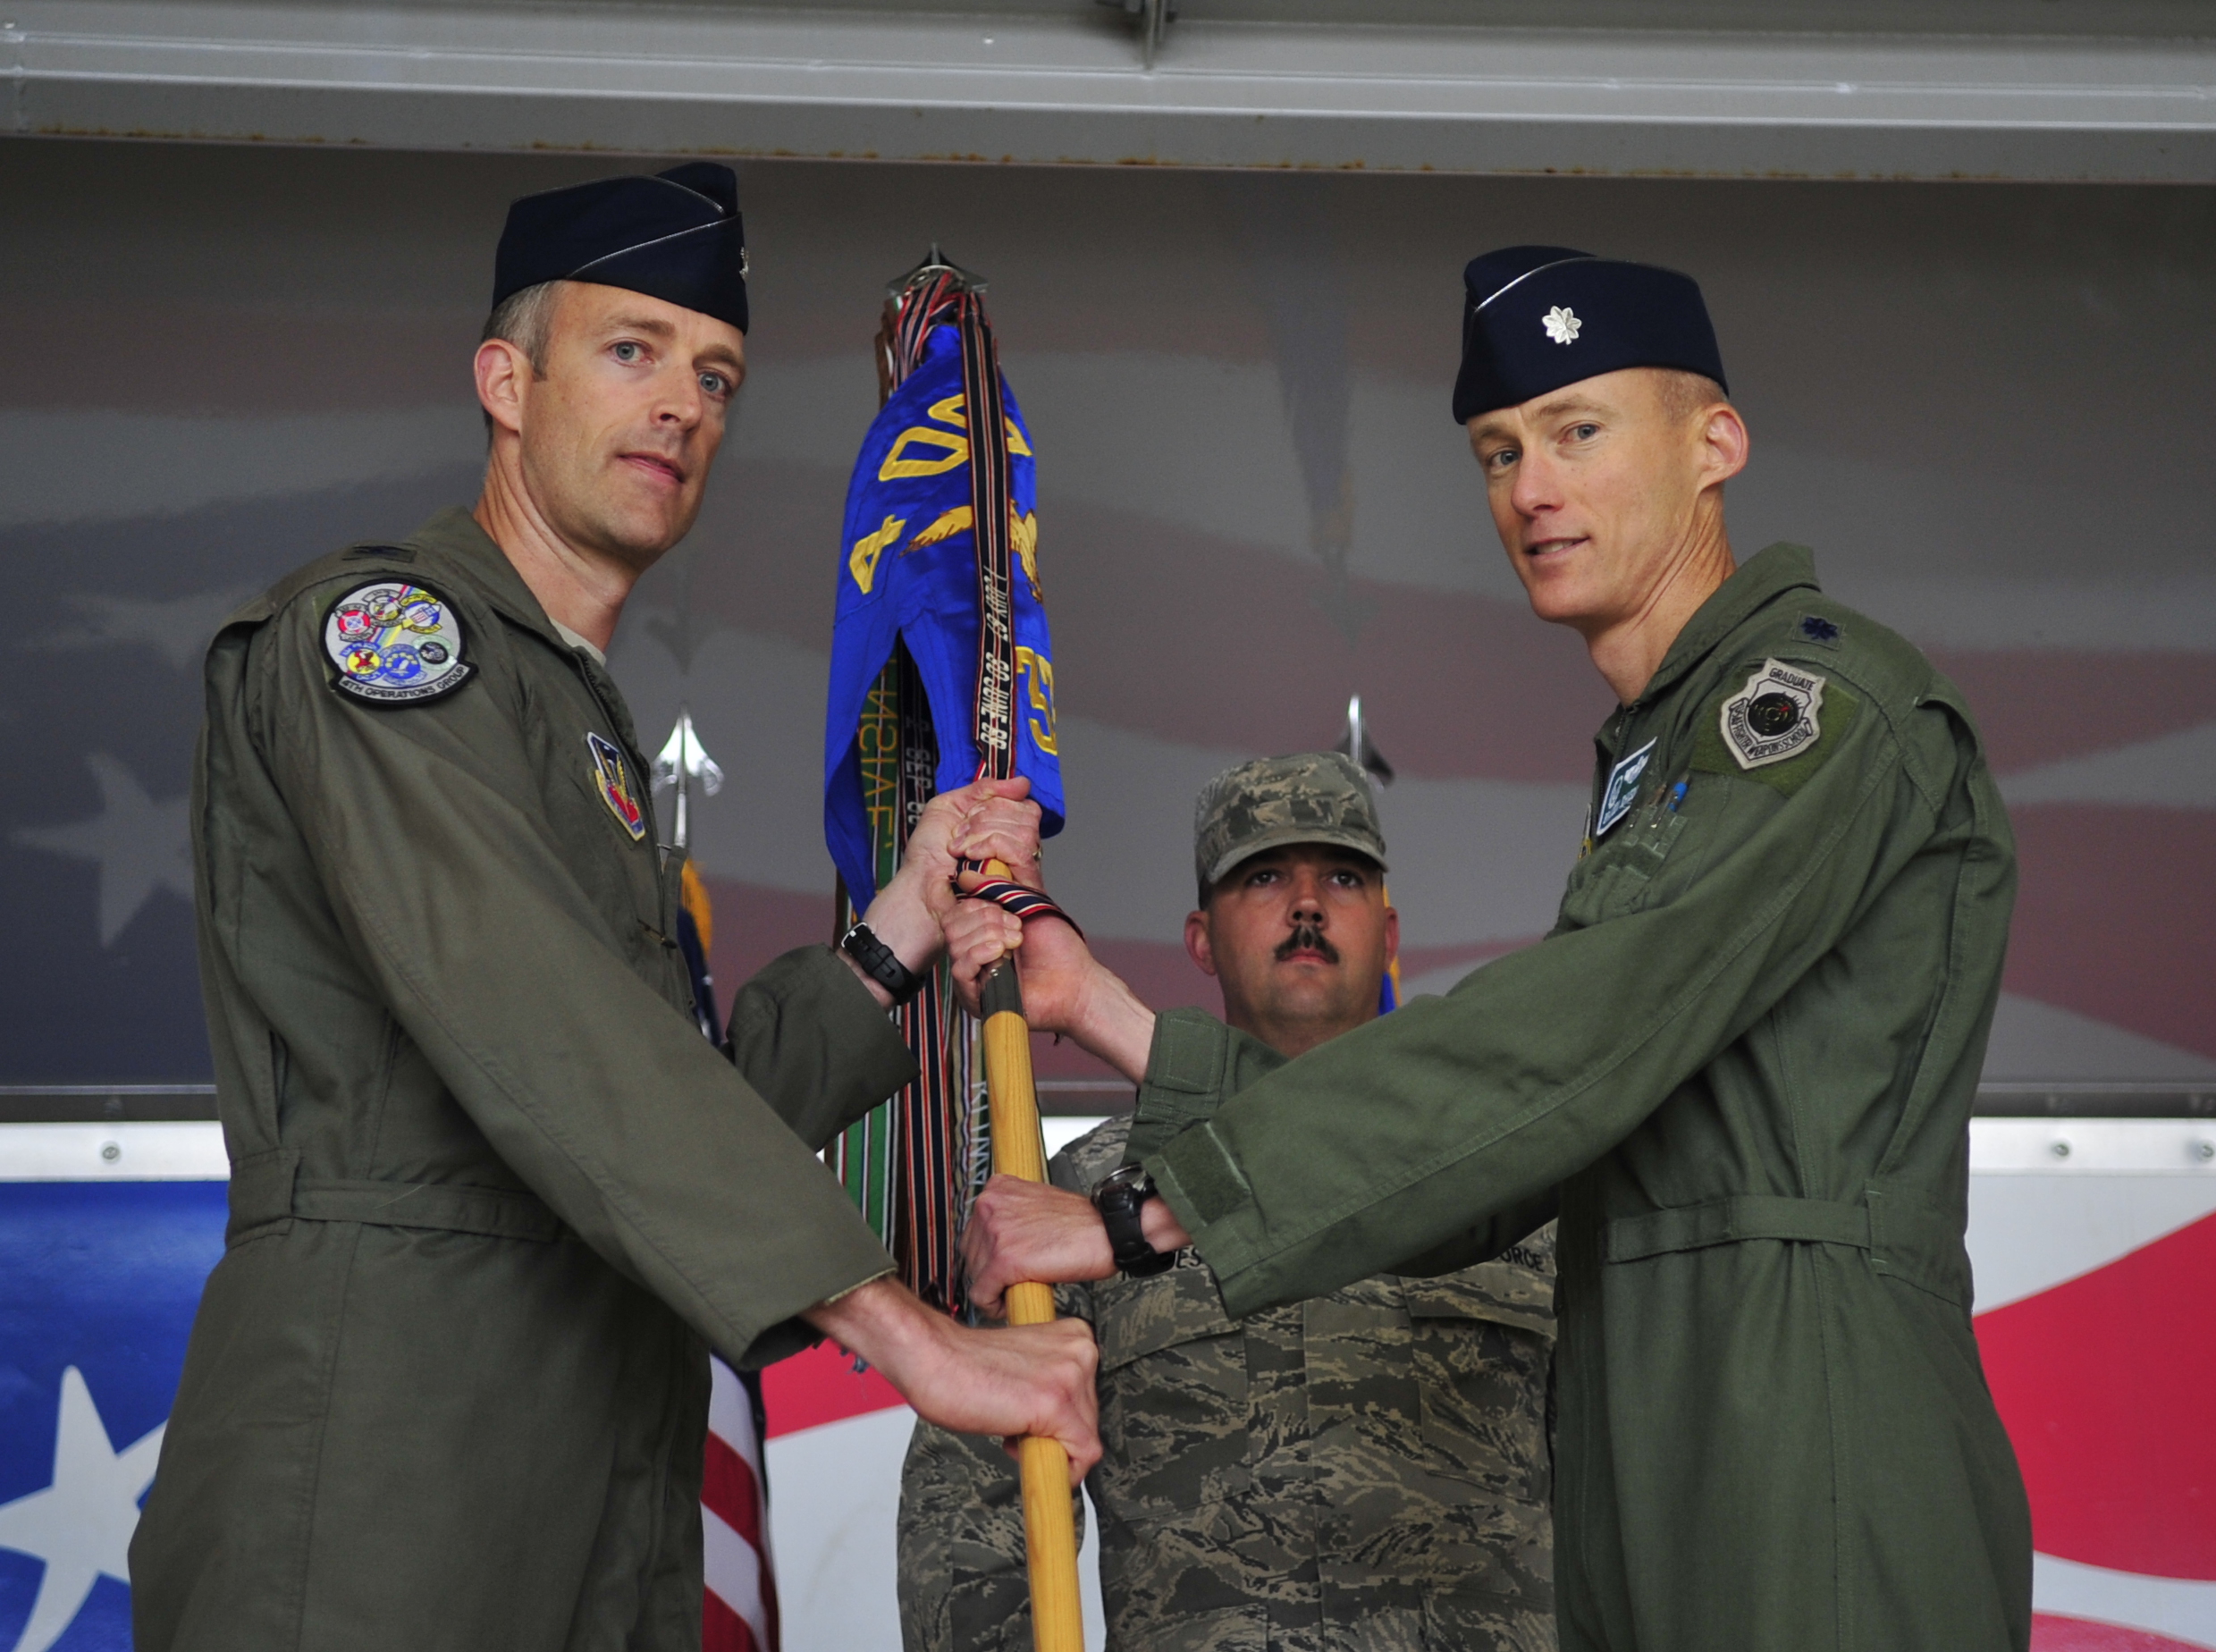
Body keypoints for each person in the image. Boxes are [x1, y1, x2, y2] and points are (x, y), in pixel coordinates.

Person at [961, 247, 2033, 1652]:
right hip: (1657, 1417)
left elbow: (1555, 1053)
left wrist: (1137, 1213)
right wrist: (1112, 1016)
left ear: (1717, 443)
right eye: (1496, 451)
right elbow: (1495, 1155)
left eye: (1580, 430)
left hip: (1793, 1418)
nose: (1531, 490)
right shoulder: (1664, 756)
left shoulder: (1806, 705)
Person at [129, 164, 1096, 1652]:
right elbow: (545, 1027)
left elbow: (666, 1101)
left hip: (598, 1473)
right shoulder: (383, 640)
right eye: (630, 351)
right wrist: (906, 1334)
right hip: (389, 1476)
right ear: (504, 382)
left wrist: (900, 920)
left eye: (714, 372)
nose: (683, 404)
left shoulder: (577, 721)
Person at [899, 752, 1557, 1652]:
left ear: (1391, 932)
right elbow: (972, 1509)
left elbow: (1647, 1469)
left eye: (1343, 876)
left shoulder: (1512, 1179)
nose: (1307, 904)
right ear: (1201, 938)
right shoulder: (1081, 1192)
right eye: (1263, 877)